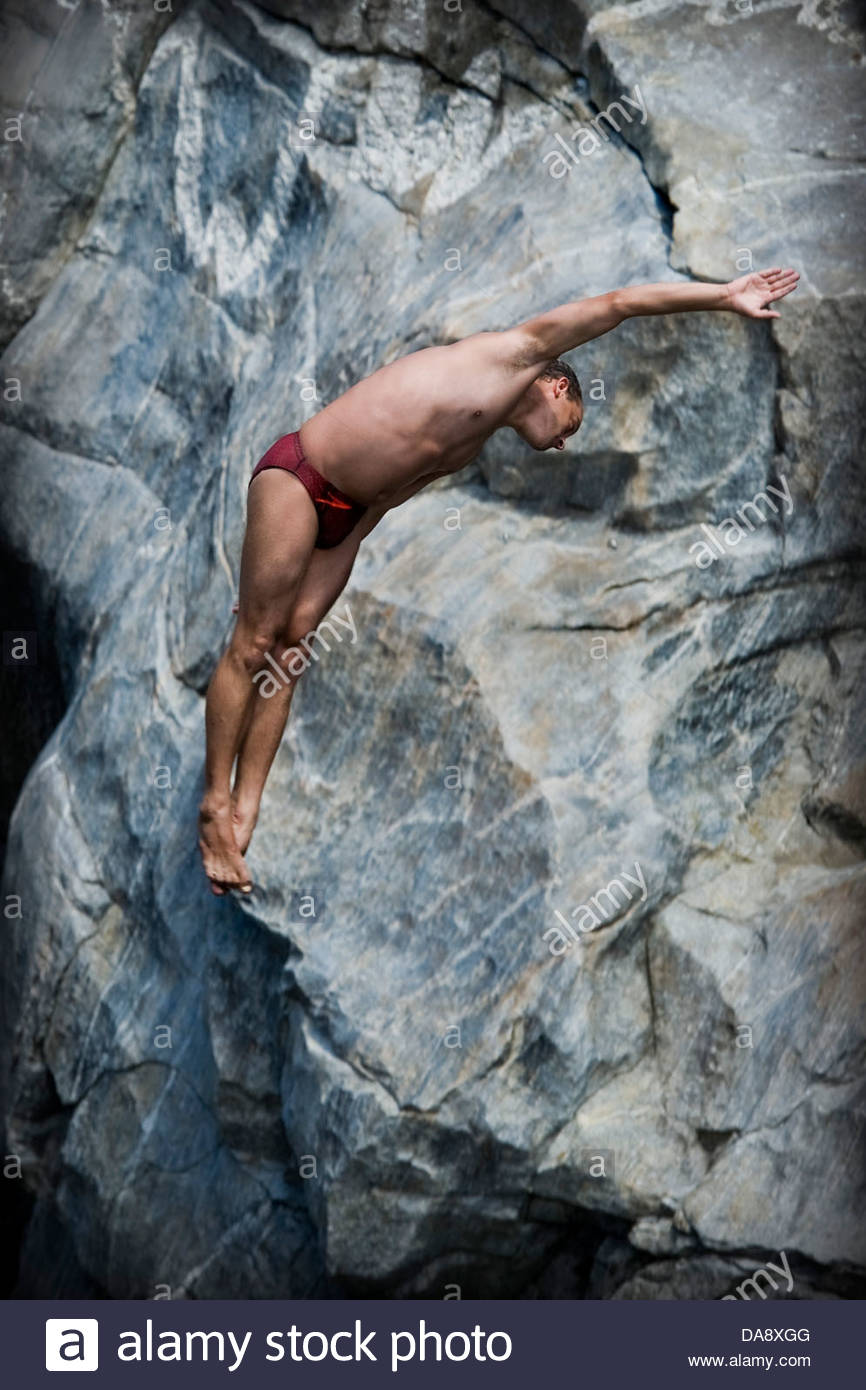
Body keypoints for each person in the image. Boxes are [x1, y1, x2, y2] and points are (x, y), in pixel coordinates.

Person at [198, 266, 799, 894]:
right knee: (255, 642)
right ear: (557, 385)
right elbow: (619, 301)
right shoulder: (517, 353)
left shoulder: (474, 439)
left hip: (347, 516)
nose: (565, 442)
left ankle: (244, 813)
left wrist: (340, 545)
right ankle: (214, 802)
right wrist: (724, 297)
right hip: (299, 477)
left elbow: (386, 493)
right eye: (572, 424)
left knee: (292, 649)